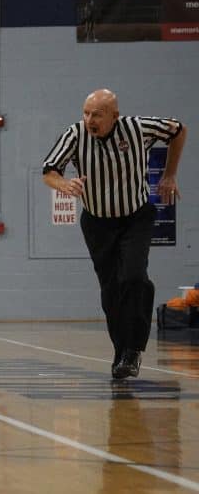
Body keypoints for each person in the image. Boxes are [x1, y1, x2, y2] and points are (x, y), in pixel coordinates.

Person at [43, 88, 186, 379]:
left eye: (96, 114)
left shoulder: (137, 128)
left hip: (135, 217)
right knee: (111, 292)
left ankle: (134, 349)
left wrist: (170, 174)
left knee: (133, 277)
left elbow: (179, 129)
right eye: (85, 113)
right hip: (97, 223)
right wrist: (64, 186)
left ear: (114, 116)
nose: (89, 119)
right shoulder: (75, 134)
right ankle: (121, 352)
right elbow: (49, 170)